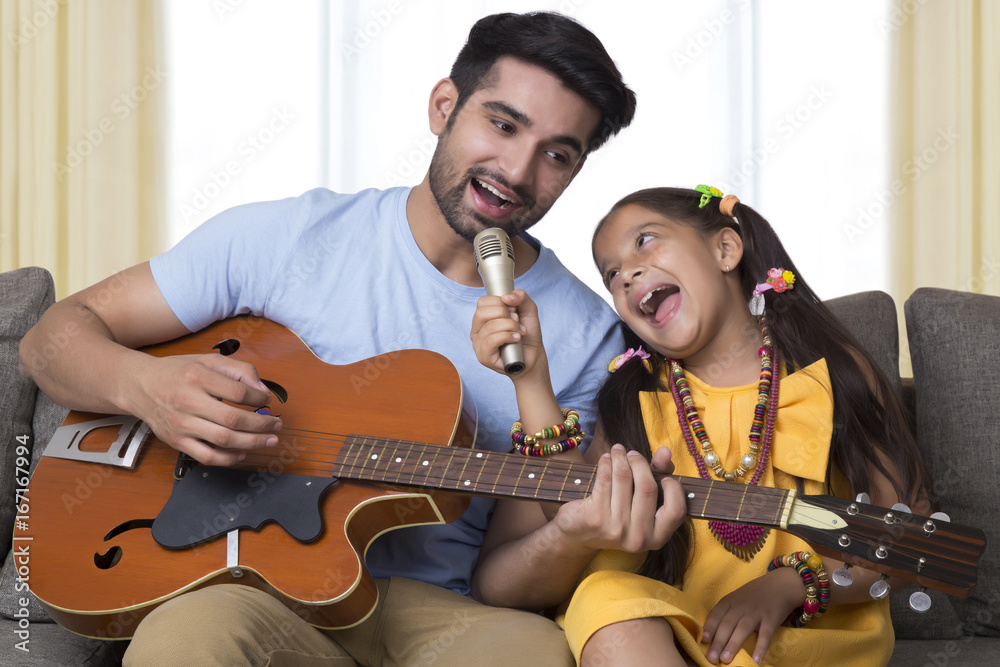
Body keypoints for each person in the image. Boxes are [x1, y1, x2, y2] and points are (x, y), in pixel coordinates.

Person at [19, 12, 676, 667]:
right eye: (502, 124)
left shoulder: (591, 333)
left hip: (443, 615)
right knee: (186, 638)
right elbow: (52, 338)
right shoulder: (286, 238)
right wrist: (152, 388)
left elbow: (515, 571)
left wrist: (572, 517)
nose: (515, 168)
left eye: (557, 154)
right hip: (262, 592)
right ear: (444, 105)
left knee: (534, 653)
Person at [471, 185, 931, 666]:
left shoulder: (831, 373)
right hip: (687, 640)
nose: (626, 274)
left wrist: (792, 584)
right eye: (610, 274)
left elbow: (909, 536)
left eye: (644, 241)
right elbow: (574, 510)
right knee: (603, 595)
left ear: (726, 249)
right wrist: (531, 378)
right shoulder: (633, 399)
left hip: (811, 646)